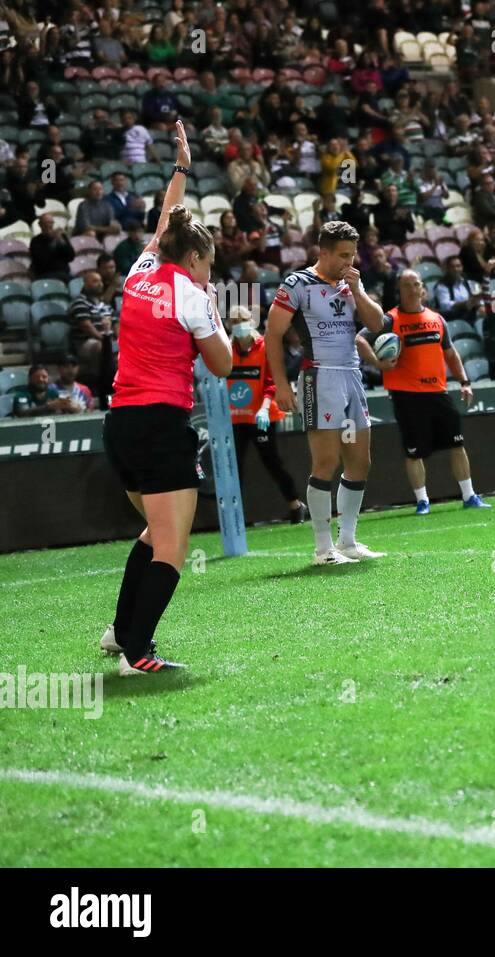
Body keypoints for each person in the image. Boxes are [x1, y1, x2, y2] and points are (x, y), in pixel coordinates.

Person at [99, 121, 233, 675]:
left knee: (156, 530)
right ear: (197, 258)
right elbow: (222, 365)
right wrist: (219, 312)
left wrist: (181, 166)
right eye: (210, 263)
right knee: (172, 548)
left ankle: (118, 633)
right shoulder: (193, 295)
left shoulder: (142, 269)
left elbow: (163, 221)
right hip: (160, 423)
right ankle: (139, 652)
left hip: (121, 424)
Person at [265, 220, 387, 565]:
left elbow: (377, 325)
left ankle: (347, 541)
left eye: (353, 255)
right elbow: (272, 334)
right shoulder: (298, 283)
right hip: (319, 378)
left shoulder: (351, 284)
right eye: (343, 255)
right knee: (326, 462)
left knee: (360, 462)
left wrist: (359, 292)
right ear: (324, 252)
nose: (349, 262)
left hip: (352, 376)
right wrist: (280, 384)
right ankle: (323, 549)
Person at [357, 269, 490, 514]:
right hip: (405, 395)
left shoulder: (437, 319)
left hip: (437, 391)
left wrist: (464, 381)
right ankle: (422, 501)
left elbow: (450, 352)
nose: (411, 289)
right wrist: (378, 363)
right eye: (405, 285)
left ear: (422, 289)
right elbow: (360, 339)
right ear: (399, 290)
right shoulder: (390, 319)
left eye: (415, 284)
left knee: (457, 444)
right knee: (413, 452)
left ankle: (470, 495)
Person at [225, 307, 307, 524]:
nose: (238, 324)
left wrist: (263, 408)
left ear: (251, 321)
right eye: (234, 321)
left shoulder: (265, 347)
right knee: (234, 466)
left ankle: (295, 505)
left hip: (263, 415)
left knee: (272, 462)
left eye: (242, 319)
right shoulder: (227, 349)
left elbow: (272, 382)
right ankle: (235, 517)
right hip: (236, 417)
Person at [10, 363, 78, 417]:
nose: (41, 379)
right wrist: (48, 407)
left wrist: (70, 408)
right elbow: (23, 413)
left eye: (44, 377)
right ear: (29, 379)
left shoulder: (53, 393)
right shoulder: (22, 395)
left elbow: (60, 412)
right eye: (37, 377)